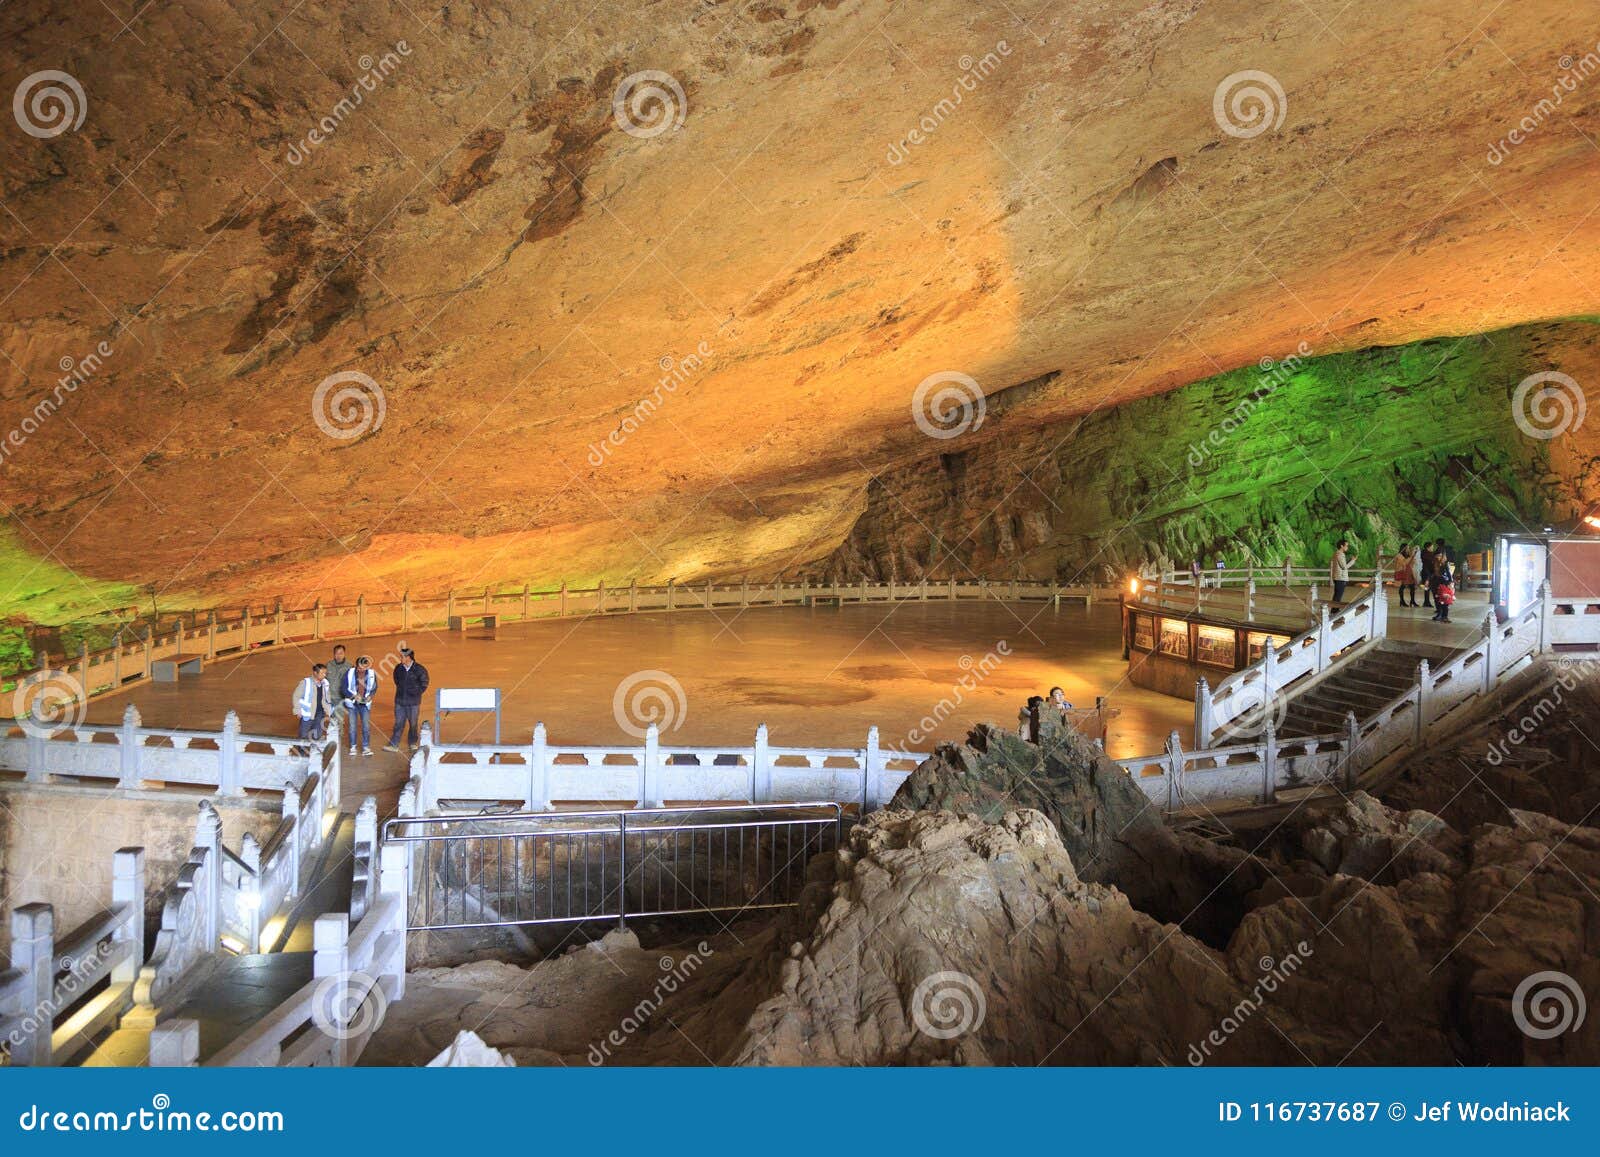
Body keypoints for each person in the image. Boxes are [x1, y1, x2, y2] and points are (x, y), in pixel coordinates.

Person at [383, 645, 429, 752]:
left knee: (413, 723)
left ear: (409, 657)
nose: (400, 659)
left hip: (413, 702)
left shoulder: (419, 669)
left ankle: (412, 742)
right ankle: (394, 744)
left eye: (402, 657)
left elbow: (424, 683)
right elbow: (396, 680)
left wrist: (415, 693)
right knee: (398, 723)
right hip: (400, 701)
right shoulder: (398, 668)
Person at [345, 655, 379, 756]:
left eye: (364, 668)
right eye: (359, 668)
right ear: (356, 666)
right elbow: (343, 688)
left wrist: (371, 696)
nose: (361, 670)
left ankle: (366, 747)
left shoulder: (372, 674)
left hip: (365, 704)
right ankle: (353, 746)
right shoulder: (349, 673)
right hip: (352, 704)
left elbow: (374, 687)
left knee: (366, 726)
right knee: (352, 726)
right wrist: (354, 696)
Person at [293, 662, 330, 742]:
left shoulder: (325, 683)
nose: (324, 675)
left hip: (320, 714)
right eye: (322, 673)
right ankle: (302, 753)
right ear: (315, 673)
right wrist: (298, 710)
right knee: (304, 736)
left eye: (325, 673)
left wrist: (328, 711)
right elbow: (296, 696)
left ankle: (315, 754)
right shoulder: (305, 682)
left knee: (317, 735)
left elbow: (327, 698)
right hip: (307, 713)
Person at [325, 643, 353, 739]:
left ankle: (338, 739)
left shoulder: (349, 666)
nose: (339, 655)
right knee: (332, 719)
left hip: (341, 698)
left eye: (341, 653)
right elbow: (324, 679)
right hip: (330, 698)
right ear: (334, 654)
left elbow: (352, 682)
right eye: (336, 653)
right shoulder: (328, 665)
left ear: (344, 654)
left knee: (339, 719)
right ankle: (332, 738)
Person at [1432, 549, 1456, 623]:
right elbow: (1431, 573)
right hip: (1436, 584)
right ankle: (1440, 614)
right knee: (1438, 600)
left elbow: (1448, 574)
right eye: (1437, 556)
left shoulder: (1445, 564)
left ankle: (1444, 616)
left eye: (1440, 555)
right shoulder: (1433, 563)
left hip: (1444, 585)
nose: (1439, 557)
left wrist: (1451, 582)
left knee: (1445, 600)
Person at [1330, 539, 1351, 608]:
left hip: (1338, 577)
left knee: (1337, 596)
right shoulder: (1339, 554)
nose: (1347, 547)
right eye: (1346, 546)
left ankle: (1334, 611)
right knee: (1338, 596)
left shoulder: (1337, 554)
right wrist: (1352, 561)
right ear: (1342, 546)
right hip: (1340, 578)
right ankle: (1334, 612)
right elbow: (1344, 567)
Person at [1420, 541, 1437, 608]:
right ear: (1428, 547)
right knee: (1427, 587)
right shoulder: (1425, 554)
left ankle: (1426, 602)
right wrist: (1428, 576)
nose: (1433, 548)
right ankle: (1426, 602)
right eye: (1432, 546)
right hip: (1426, 572)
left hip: (1429, 572)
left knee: (1428, 588)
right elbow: (1427, 564)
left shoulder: (1429, 554)